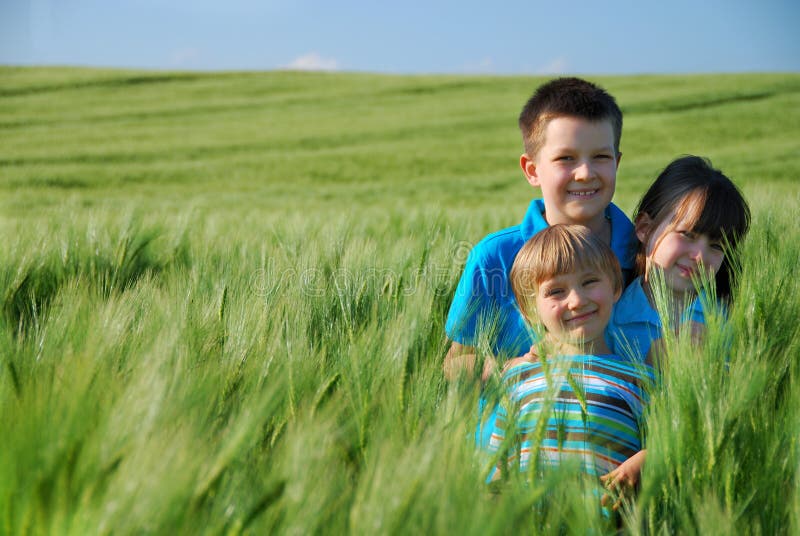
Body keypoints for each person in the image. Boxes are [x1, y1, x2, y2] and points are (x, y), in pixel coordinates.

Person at [444, 77, 637, 383]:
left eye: (601, 157)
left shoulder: (643, 253)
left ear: (617, 162)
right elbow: (456, 362)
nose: (585, 173)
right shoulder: (495, 256)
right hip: (516, 428)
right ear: (532, 170)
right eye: (566, 158)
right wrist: (510, 370)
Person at [599, 155, 751, 504]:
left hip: (697, 488)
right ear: (644, 229)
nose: (700, 256)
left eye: (716, 246)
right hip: (612, 484)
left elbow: (725, 412)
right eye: (687, 235)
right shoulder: (609, 315)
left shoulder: (730, 322)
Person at [487, 225, 653, 484]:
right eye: (556, 291)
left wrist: (644, 461)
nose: (576, 300)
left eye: (589, 282)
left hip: (605, 521)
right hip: (531, 521)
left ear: (616, 289)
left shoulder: (640, 379)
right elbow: (501, 466)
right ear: (530, 309)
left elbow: (673, 443)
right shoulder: (517, 379)